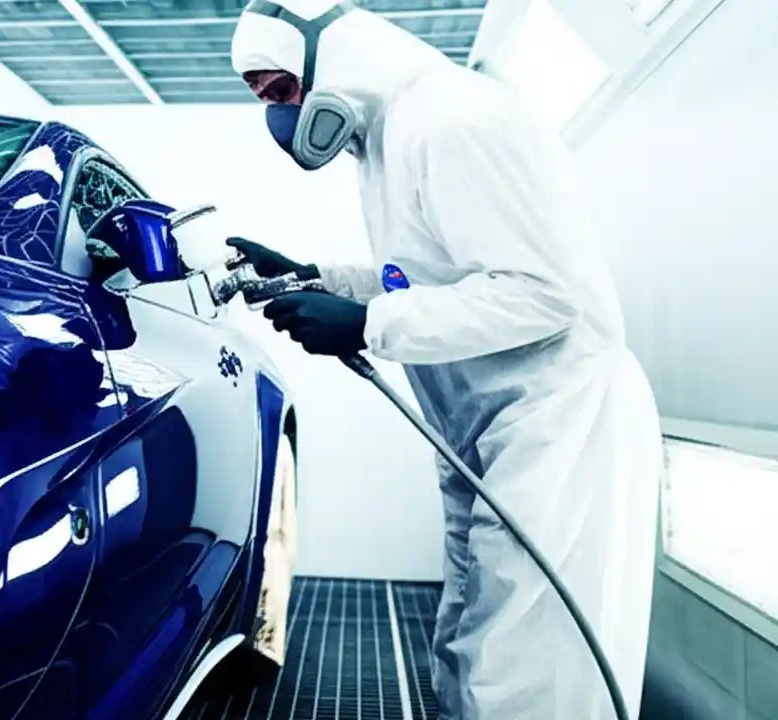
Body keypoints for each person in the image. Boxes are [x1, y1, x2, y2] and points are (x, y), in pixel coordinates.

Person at [228, 1, 663, 718]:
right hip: (488, 425)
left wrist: (369, 324)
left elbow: (541, 295)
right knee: (472, 636)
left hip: (559, 424)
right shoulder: (389, 136)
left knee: (524, 667)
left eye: (279, 91)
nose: (278, 118)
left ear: (327, 56)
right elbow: (434, 277)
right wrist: (318, 279)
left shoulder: (454, 119)